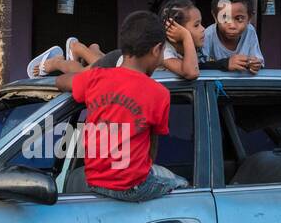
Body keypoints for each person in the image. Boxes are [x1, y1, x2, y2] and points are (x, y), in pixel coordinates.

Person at [54, 11, 186, 202]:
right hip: (132, 188)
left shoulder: (96, 78)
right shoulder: (159, 93)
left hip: (94, 183)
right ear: (157, 50)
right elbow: (152, 146)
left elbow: (60, 81)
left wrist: (79, 73)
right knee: (183, 185)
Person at [26, 2, 202, 79]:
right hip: (117, 63)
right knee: (82, 73)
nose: (203, 29)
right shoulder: (164, 51)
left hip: (117, 59)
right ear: (175, 30)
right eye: (196, 25)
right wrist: (186, 37)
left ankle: (90, 49)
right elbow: (191, 72)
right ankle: (58, 61)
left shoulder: (185, 49)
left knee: (99, 60)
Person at [202, 0, 264, 73]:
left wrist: (255, 65)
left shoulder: (250, 31)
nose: (232, 26)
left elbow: (258, 62)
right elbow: (197, 66)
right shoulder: (207, 35)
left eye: (239, 19)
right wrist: (226, 63)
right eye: (224, 18)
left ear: (249, 17)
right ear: (215, 16)